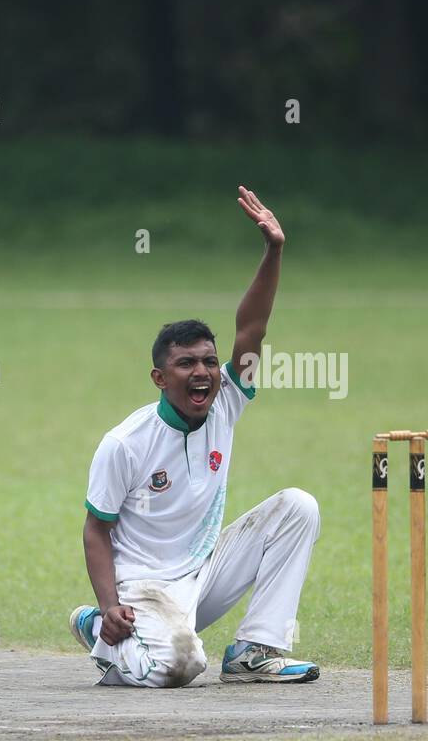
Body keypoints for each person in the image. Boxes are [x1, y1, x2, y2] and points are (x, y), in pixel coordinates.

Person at [68, 187, 322, 687]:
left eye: (208, 360)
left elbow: (253, 327)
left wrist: (274, 250)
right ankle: (101, 627)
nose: (203, 371)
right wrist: (109, 603)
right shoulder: (125, 442)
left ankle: (254, 650)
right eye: (186, 364)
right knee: (179, 669)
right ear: (160, 378)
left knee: (298, 506)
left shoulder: (226, 398)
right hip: (143, 590)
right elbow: (96, 530)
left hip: (206, 572)